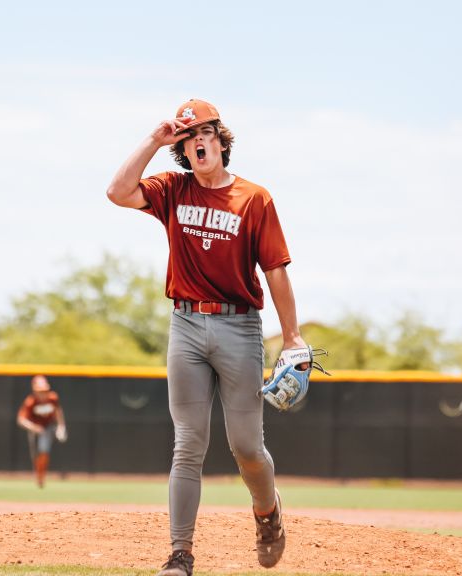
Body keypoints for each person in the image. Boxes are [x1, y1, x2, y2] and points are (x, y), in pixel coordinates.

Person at [106, 99, 307, 575]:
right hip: (187, 325)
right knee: (188, 443)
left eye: (206, 133)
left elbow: (275, 270)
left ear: (220, 141)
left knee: (246, 447)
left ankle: (267, 512)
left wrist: (293, 337)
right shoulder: (173, 190)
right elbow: (117, 192)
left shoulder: (254, 198)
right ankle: (180, 553)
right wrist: (155, 139)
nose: (199, 142)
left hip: (240, 326)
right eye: (189, 136)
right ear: (183, 150)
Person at [16, 374, 67, 488]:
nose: (43, 394)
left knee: (54, 444)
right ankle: (40, 476)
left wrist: (61, 427)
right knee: (42, 452)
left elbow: (58, 411)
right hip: (40, 429)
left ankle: (47, 474)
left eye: (44, 391)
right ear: (34, 391)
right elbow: (21, 420)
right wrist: (33, 427)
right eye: (40, 391)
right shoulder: (30, 402)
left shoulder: (52, 398)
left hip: (51, 426)